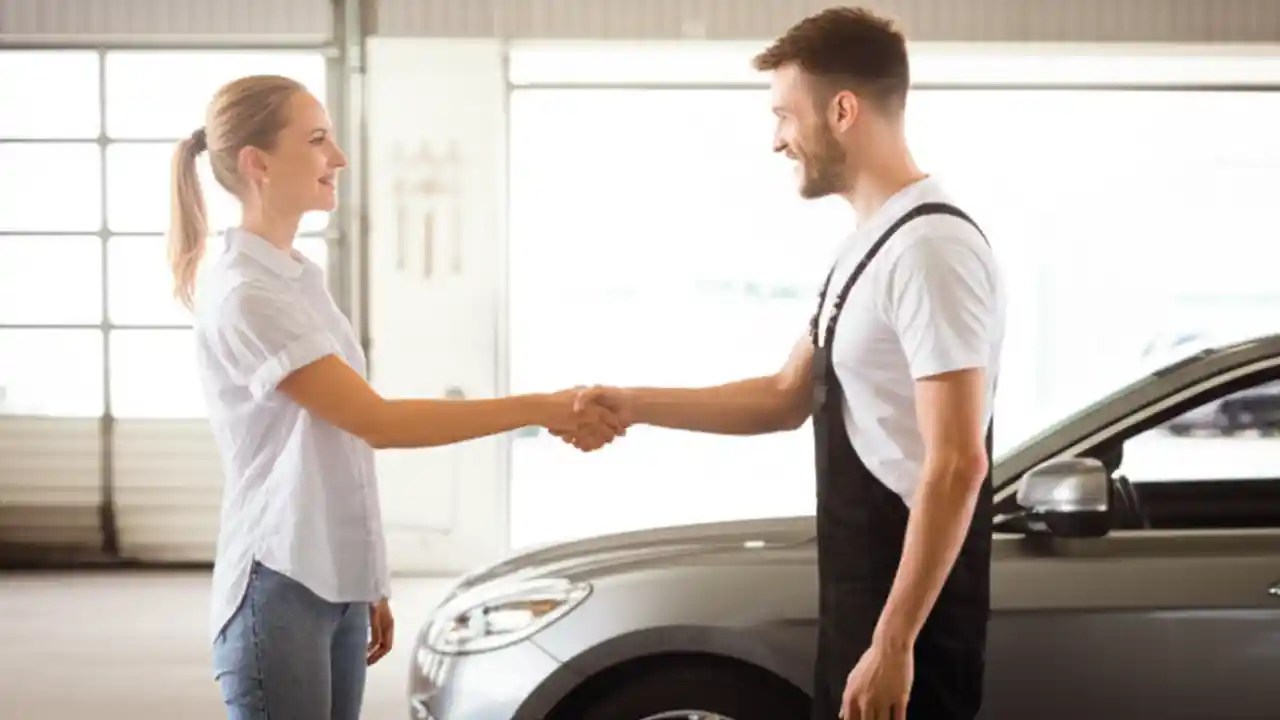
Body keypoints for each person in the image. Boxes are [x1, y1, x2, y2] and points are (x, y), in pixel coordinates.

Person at [563, 8, 1005, 720]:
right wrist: (634, 403)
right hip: (863, 596)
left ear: (842, 110)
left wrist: (894, 644)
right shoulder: (867, 245)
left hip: (913, 618)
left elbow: (957, 463)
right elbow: (783, 395)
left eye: (784, 116)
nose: (776, 140)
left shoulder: (932, 251)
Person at [169, 74, 622, 720]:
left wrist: (366, 579)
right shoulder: (246, 292)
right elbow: (376, 422)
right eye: (319, 140)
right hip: (279, 583)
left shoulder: (298, 278)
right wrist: (544, 407)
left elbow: (339, 445)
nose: (340, 159)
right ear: (257, 163)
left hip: (332, 581)